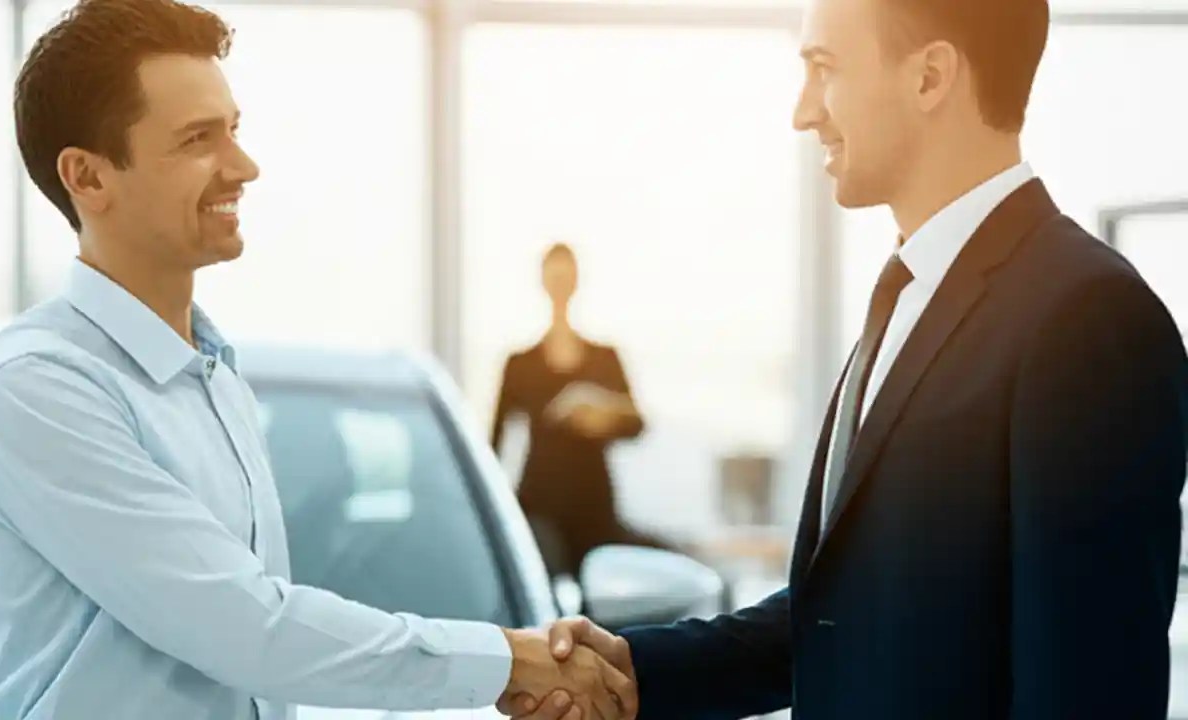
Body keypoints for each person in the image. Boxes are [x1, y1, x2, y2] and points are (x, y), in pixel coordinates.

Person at [0, 2, 635, 719]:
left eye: (233, 130)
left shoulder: (215, 379)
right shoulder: (35, 387)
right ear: (87, 178)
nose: (243, 166)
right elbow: (244, 628)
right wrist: (504, 660)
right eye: (197, 139)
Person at [502, 0, 1188, 717]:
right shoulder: (913, 297)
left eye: (824, 69)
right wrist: (634, 669)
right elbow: (846, 615)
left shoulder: (1087, 319)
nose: (803, 113)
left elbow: (1086, 693)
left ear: (930, 78)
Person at [492, 243, 673, 579]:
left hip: (594, 506)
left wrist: (602, 411)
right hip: (540, 507)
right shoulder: (520, 364)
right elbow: (495, 444)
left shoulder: (605, 358)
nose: (560, 284)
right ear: (543, 281)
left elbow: (637, 424)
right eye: (554, 275)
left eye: (567, 275)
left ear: (577, 281)